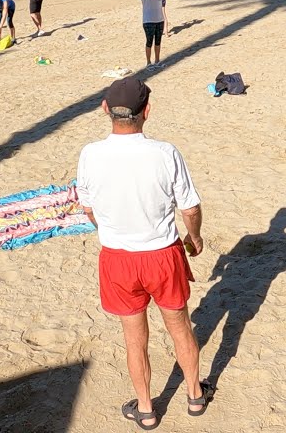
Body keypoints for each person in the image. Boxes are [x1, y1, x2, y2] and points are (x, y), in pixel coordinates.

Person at [76, 77, 208, 429]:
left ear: (105, 109)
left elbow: (88, 208)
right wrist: (194, 238)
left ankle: (147, 409)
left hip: (118, 258)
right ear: (146, 111)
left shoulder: (90, 154)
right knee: (180, 327)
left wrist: (110, 227)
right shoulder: (165, 153)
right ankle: (195, 395)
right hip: (162, 254)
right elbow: (190, 208)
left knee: (134, 338)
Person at [139, 0, 170, 68]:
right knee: (149, 41)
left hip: (159, 19)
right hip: (148, 20)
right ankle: (148, 62)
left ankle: (157, 60)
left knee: (158, 41)